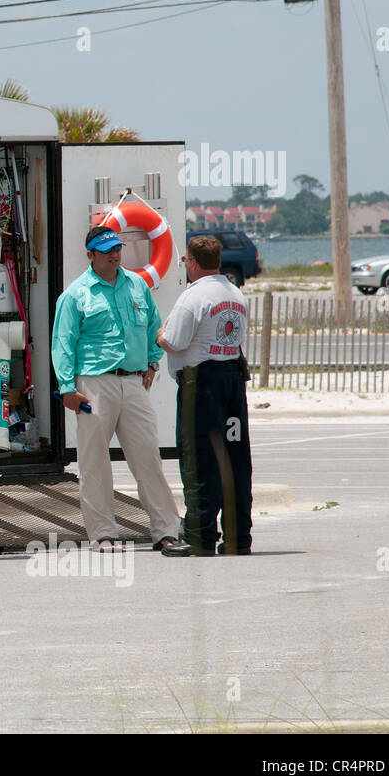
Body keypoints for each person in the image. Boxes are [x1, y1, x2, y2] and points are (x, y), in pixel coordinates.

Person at [51, 226, 181, 551]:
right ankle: (103, 534)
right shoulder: (75, 295)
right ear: (90, 255)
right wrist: (67, 387)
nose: (114, 254)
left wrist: (153, 362)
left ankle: (166, 531)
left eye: (117, 248)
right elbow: (62, 344)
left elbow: (154, 324)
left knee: (148, 457)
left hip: (134, 382)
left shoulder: (137, 284)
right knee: (94, 461)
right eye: (106, 249)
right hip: (93, 386)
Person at [156, 235, 253, 557]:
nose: (185, 264)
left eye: (185, 260)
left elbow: (174, 341)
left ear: (193, 262)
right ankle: (238, 537)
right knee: (236, 461)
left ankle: (199, 536)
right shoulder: (236, 294)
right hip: (233, 383)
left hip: (202, 385)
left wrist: (159, 336)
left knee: (199, 461)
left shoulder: (193, 298)